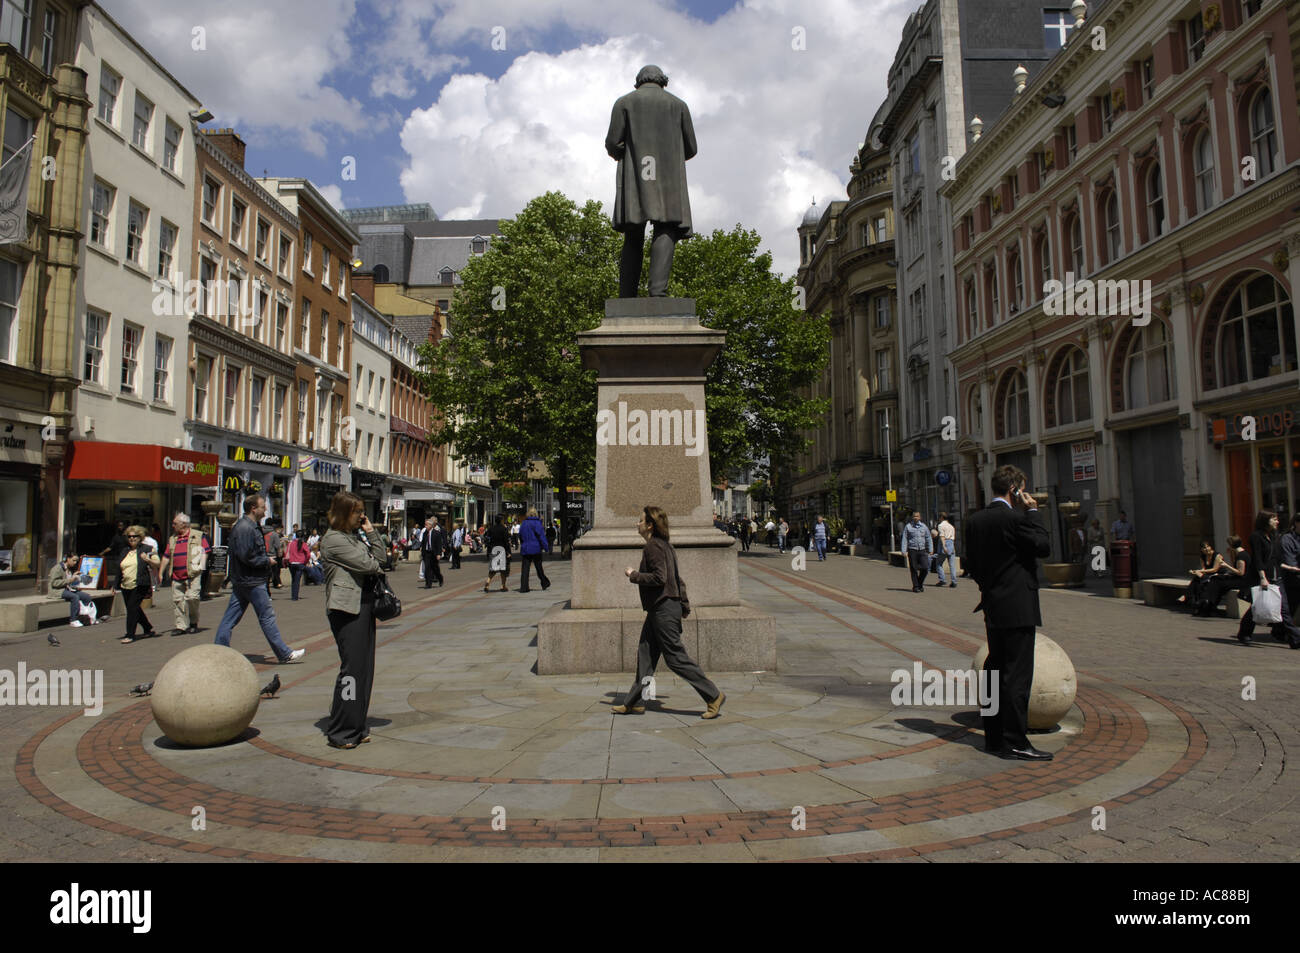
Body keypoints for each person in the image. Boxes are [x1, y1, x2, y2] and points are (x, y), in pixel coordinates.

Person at [965, 465, 1052, 761]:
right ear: (1015, 489)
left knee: (994, 669)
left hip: (993, 605)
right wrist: (1034, 512)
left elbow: (971, 564)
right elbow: (1043, 546)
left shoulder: (975, 520)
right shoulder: (1017, 519)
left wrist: (990, 587)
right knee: (1016, 675)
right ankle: (1015, 741)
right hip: (1018, 606)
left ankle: (993, 737)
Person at [612, 505, 725, 718]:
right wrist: (683, 605)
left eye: (640, 520)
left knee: (675, 658)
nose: (637, 524)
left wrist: (633, 574)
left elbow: (660, 578)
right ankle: (635, 701)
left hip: (663, 609)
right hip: (662, 608)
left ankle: (713, 695)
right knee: (646, 655)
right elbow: (677, 579)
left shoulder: (653, 547)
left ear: (649, 525)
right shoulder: (665, 546)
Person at [606, 65, 697, 298]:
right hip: (667, 179)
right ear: (663, 81)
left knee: (633, 233)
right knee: (666, 227)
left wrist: (628, 153)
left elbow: (612, 143)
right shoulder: (679, 105)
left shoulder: (624, 102)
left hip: (636, 177)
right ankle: (658, 293)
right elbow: (691, 147)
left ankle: (626, 295)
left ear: (638, 81)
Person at [320, 491, 387, 750]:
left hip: (364, 607)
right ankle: (342, 729)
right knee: (351, 670)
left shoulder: (353, 537)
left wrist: (371, 533)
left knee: (363, 670)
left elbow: (381, 559)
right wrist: (371, 556)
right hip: (346, 610)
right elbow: (369, 565)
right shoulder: (334, 540)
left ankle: (357, 725)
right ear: (344, 513)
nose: (362, 516)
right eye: (357, 512)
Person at [213, 495, 305, 663]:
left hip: (245, 580)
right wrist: (266, 561)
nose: (266, 510)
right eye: (263, 506)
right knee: (266, 617)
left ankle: (219, 650)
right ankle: (284, 653)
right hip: (251, 580)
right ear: (253, 509)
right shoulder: (245, 528)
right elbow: (245, 555)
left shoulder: (250, 526)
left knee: (230, 618)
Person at [1234, 510, 1300, 647]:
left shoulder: (1274, 537)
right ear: (1265, 521)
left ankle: (1294, 638)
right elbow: (1258, 559)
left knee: (1284, 609)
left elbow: (1276, 559)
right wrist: (1263, 577)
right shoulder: (1256, 537)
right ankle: (1244, 633)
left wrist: (1289, 568)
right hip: (1261, 577)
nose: (1277, 521)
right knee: (1257, 606)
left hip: (1277, 577)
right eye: (1273, 519)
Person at [159, 512, 209, 635]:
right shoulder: (172, 539)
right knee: (177, 601)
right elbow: (166, 557)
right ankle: (180, 626)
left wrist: (200, 567)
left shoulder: (198, 536)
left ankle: (193, 622)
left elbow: (205, 551)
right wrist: (160, 573)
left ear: (183, 524)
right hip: (176, 575)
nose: (172, 525)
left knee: (192, 598)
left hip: (193, 574)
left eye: (175, 523)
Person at [117, 525, 159, 644]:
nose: (132, 539)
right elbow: (119, 568)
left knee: (131, 609)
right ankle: (147, 628)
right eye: (129, 536)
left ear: (140, 537)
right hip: (126, 585)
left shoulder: (148, 548)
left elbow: (157, 563)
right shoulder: (125, 551)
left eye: (135, 536)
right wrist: (115, 585)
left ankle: (130, 634)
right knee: (134, 608)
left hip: (140, 584)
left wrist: (147, 560)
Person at [1200, 536, 1247, 616]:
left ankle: (1210, 605)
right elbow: (1235, 568)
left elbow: (1241, 572)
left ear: (1232, 545)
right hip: (1237, 578)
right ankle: (1210, 604)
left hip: (1241, 580)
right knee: (1216, 579)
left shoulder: (1241, 556)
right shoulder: (1239, 554)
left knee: (1217, 583)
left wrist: (1226, 565)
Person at [51, 553, 98, 626]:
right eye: (74, 560)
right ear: (68, 559)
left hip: (68, 589)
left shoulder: (69, 569)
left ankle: (85, 617)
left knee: (86, 597)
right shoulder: (57, 568)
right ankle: (73, 619)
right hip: (58, 591)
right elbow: (54, 583)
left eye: (76, 561)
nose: (75, 563)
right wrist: (70, 580)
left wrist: (74, 576)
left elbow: (69, 581)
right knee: (75, 597)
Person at [1178, 539, 1223, 611]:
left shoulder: (1217, 555)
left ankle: (1187, 596)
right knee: (1198, 581)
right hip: (1208, 576)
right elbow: (1203, 568)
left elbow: (1215, 569)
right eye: (1204, 548)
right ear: (1201, 550)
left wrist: (1200, 571)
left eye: (1207, 547)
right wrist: (1195, 572)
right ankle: (1199, 604)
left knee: (1198, 580)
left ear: (1210, 547)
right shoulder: (1202, 557)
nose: (1206, 549)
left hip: (1218, 576)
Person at [518, 507, 551, 593]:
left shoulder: (524, 523)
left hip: (526, 547)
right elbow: (541, 536)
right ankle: (544, 582)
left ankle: (524, 587)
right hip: (536, 548)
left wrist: (523, 543)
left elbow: (520, 535)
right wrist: (546, 547)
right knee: (539, 567)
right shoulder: (537, 523)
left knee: (525, 568)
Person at [902, 511, 933, 592]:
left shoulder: (924, 527)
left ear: (920, 517)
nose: (916, 518)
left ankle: (919, 583)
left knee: (925, 568)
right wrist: (903, 550)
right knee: (914, 569)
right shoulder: (908, 527)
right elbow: (904, 538)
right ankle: (916, 587)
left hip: (922, 550)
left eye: (917, 516)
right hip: (912, 550)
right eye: (914, 516)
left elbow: (928, 538)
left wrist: (931, 549)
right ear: (912, 517)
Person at [483, 514, 511, 592]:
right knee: (503, 569)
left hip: (493, 549)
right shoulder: (504, 529)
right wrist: (508, 552)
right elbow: (506, 542)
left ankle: (488, 582)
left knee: (493, 568)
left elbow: (487, 538)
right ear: (502, 520)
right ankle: (503, 586)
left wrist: (488, 551)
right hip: (501, 549)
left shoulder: (491, 529)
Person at [99, 522, 129, 590]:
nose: (120, 527)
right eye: (118, 526)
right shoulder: (116, 537)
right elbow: (110, 547)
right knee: (119, 571)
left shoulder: (128, 537)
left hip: (128, 556)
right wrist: (102, 553)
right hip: (120, 556)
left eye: (121, 526)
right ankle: (117, 585)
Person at [285, 530, 310, 600]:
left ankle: (293, 595)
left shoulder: (291, 543)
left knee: (293, 580)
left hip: (291, 563)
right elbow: (308, 554)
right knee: (297, 581)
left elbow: (287, 553)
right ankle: (295, 597)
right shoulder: (303, 544)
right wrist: (305, 561)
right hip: (300, 563)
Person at [420, 517, 444, 589]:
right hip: (427, 553)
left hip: (434, 553)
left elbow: (439, 544)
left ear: (431, 525)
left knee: (435, 568)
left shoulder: (436, 533)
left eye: (427, 525)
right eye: (425, 525)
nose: (425, 526)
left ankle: (440, 578)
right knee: (427, 568)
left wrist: (439, 554)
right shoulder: (425, 533)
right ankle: (428, 584)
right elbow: (423, 543)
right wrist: (422, 551)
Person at [935, 512, 957, 587]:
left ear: (941, 517)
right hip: (951, 543)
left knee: (939, 563)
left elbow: (942, 536)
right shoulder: (951, 526)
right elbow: (953, 538)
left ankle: (942, 579)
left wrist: (944, 547)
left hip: (944, 543)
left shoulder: (941, 525)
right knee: (952, 565)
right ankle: (954, 581)